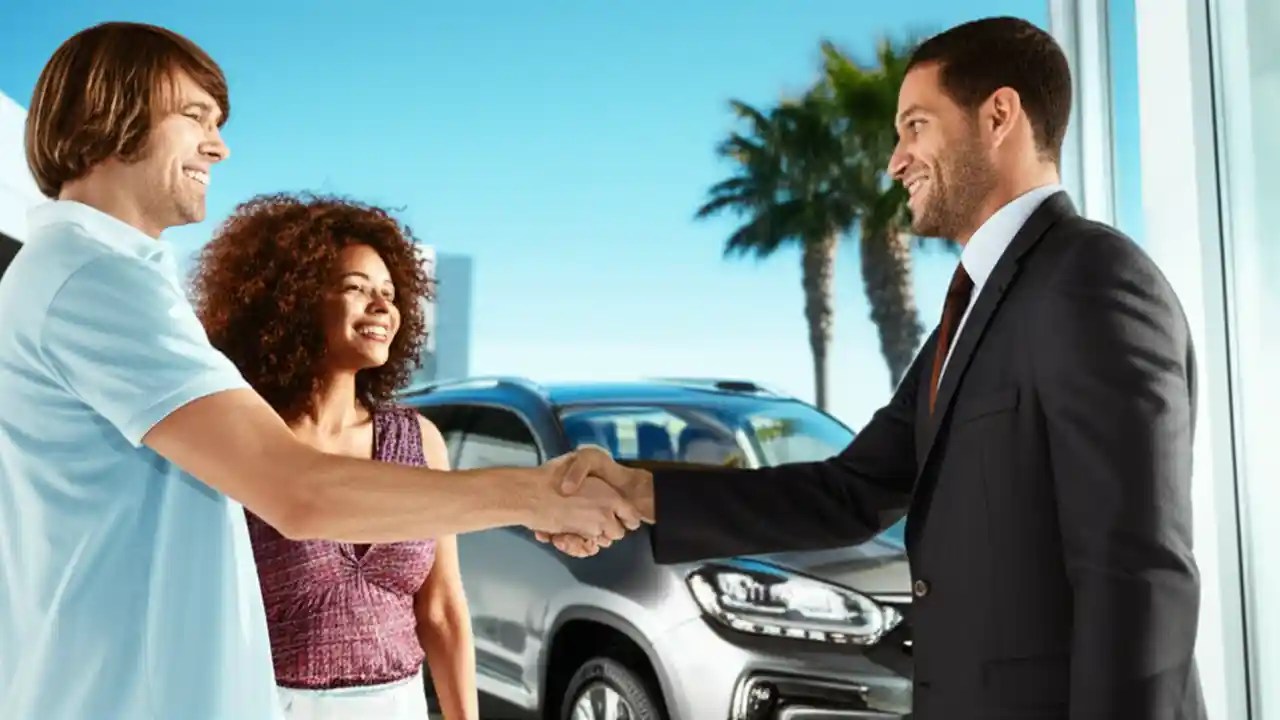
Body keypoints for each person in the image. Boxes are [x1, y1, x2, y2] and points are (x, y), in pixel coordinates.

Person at [547, 16, 1206, 720]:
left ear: (999, 116)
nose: (896, 160)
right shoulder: (977, 312)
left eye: (915, 126)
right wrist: (642, 492)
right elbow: (848, 491)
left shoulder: (1092, 280)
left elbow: (1137, 575)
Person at [0, 21, 638, 720]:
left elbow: (437, 605)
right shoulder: (92, 279)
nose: (219, 145)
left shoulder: (109, 278)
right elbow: (296, 490)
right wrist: (539, 496)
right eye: (195, 118)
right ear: (106, 114)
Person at [188, 193, 477, 719]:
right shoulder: (249, 440)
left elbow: (442, 611)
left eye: (389, 294)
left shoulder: (419, 442)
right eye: (355, 288)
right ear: (296, 300)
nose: (382, 308)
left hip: (401, 704)